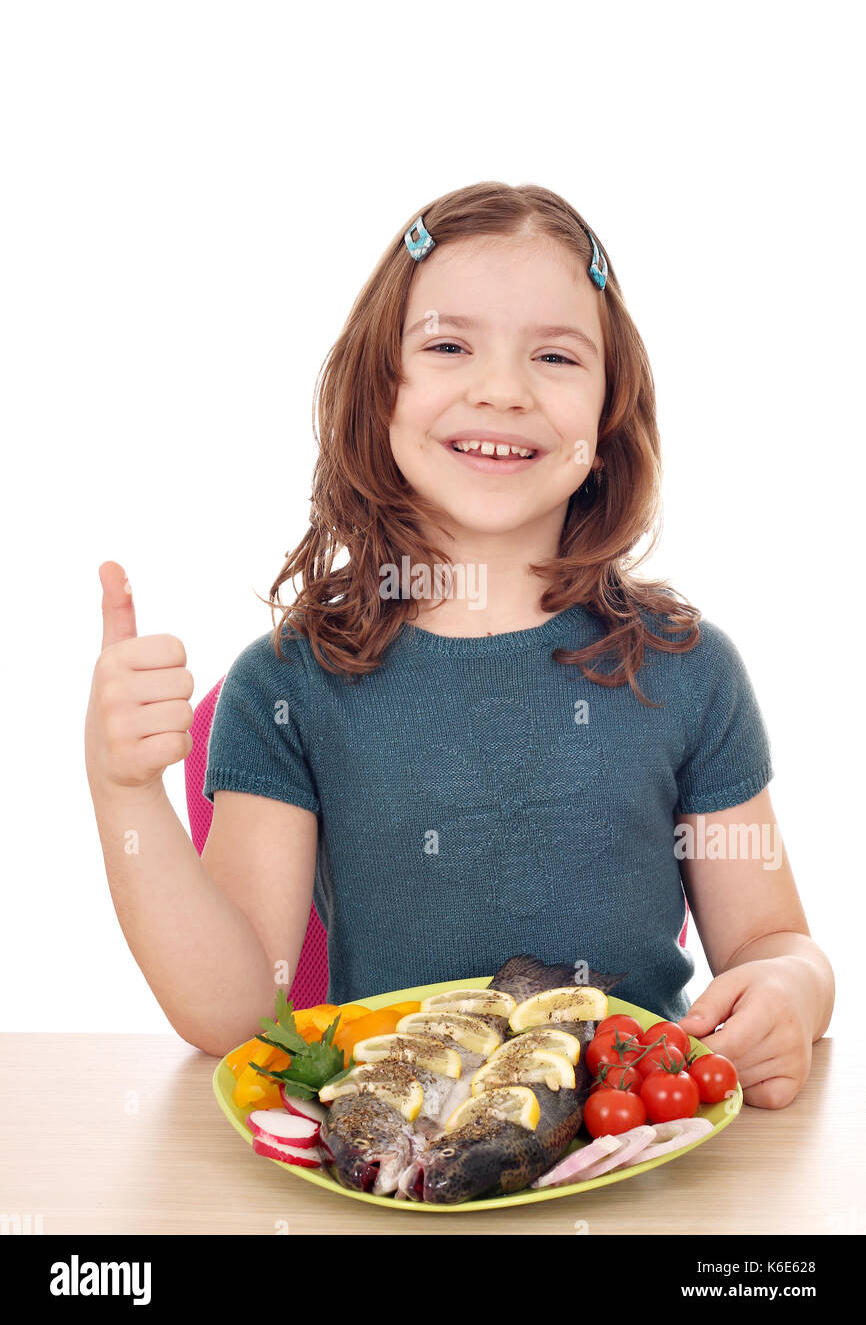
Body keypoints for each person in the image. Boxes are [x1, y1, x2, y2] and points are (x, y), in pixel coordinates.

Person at [85, 180, 834, 1108]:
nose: (502, 390)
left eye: (556, 357)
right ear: (378, 394)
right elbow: (237, 1013)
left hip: (639, 1151)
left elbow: (773, 941)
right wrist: (125, 791)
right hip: (400, 1157)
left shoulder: (691, 672)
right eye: (448, 346)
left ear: (605, 423)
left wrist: (793, 990)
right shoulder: (286, 685)